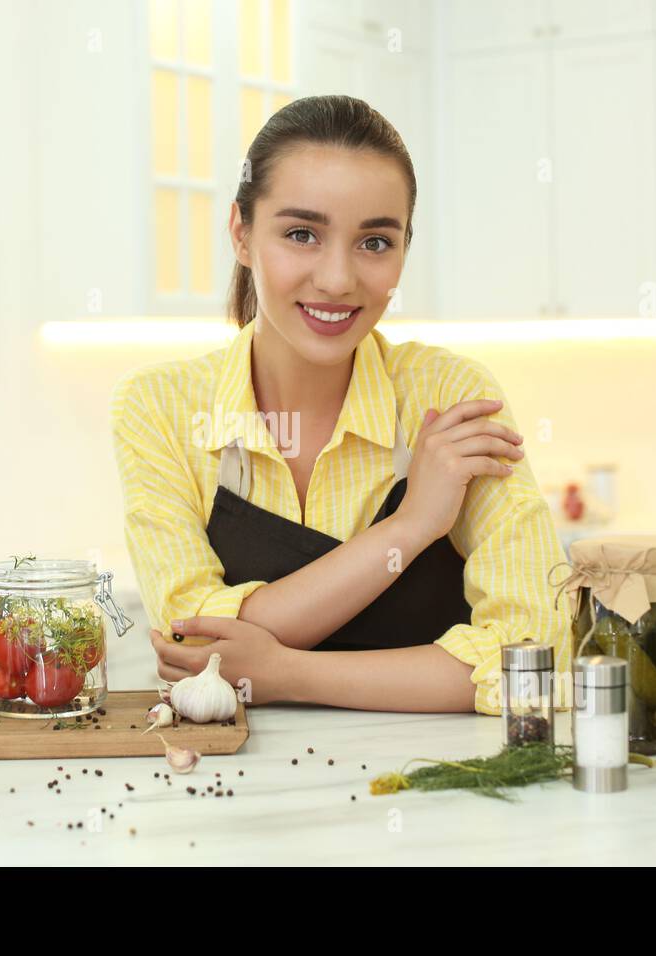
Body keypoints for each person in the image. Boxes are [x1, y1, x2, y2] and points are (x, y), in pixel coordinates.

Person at [110, 94, 571, 714]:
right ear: (241, 234)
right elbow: (197, 642)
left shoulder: (448, 395)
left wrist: (284, 671)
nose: (337, 279)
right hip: (242, 795)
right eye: (302, 234)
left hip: (441, 790)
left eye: (375, 243)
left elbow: (532, 660)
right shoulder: (160, 407)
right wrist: (411, 525)